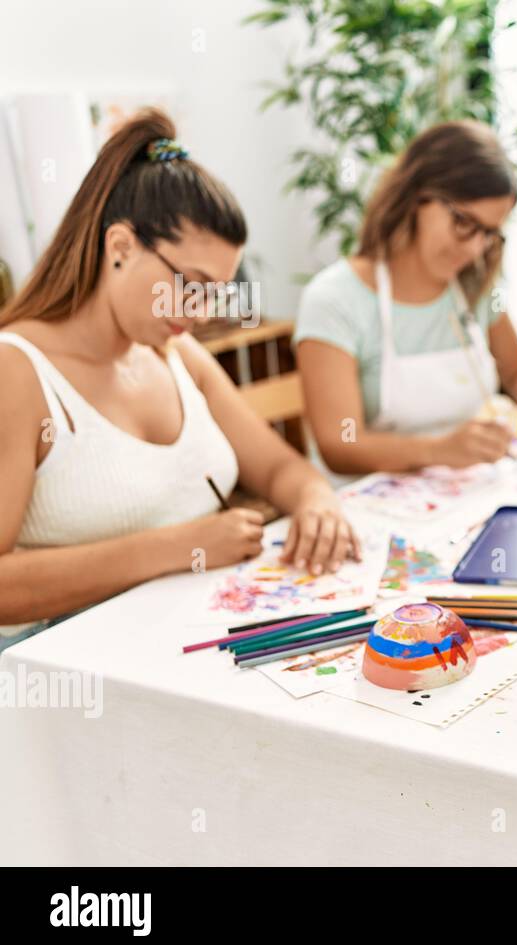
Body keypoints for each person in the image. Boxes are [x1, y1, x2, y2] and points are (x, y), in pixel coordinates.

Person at [0, 110, 361, 648]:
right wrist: (175, 547)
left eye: (217, 293)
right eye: (192, 285)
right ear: (120, 247)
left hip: (189, 642)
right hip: (65, 672)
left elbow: (281, 467)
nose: (200, 312)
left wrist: (317, 503)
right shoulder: (18, 372)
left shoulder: (176, 353)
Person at [295, 120, 517, 478]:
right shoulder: (334, 301)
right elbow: (340, 442)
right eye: (463, 222)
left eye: (488, 233)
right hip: (370, 511)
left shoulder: (477, 291)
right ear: (416, 195)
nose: (474, 248)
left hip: (463, 499)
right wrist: (439, 450)